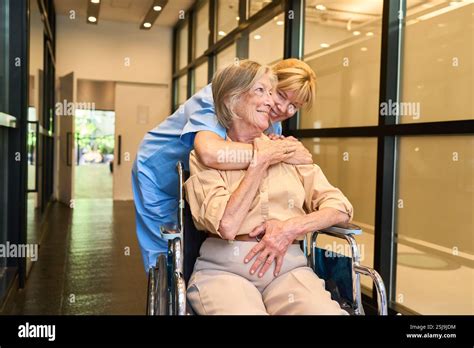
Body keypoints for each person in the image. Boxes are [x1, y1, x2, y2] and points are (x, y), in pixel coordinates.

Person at [184, 60, 353, 315]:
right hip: (225, 271)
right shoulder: (207, 155)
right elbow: (227, 225)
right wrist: (259, 161)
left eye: (272, 92)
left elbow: (340, 208)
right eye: (261, 91)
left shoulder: (288, 150)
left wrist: (290, 228)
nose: (273, 103)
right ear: (232, 99)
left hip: (288, 269)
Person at [132, 58, 317, 272]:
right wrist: (277, 153)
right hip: (159, 173)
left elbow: (260, 164)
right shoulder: (223, 94)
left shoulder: (270, 122)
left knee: (201, 240)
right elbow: (210, 153)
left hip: (203, 183)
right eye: (281, 95)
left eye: (294, 106)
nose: (283, 107)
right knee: (166, 253)